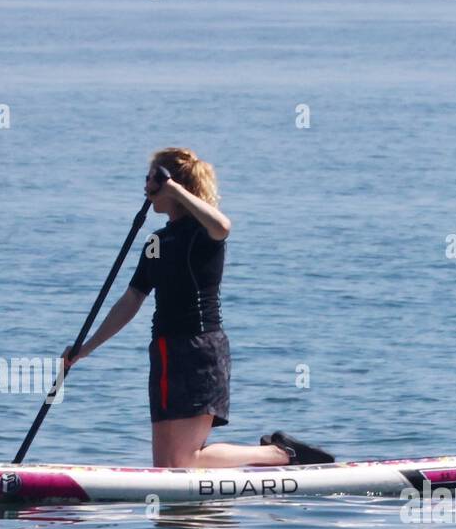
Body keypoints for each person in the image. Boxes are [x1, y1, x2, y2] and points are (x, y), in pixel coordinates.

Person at [64, 147, 329, 468]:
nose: (145, 185)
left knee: (185, 460)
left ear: (172, 184)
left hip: (199, 351)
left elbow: (223, 226)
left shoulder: (203, 234)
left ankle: (280, 453)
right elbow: (132, 299)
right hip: (163, 351)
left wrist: (175, 189)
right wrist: (86, 348)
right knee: (167, 466)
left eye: (152, 178)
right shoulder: (156, 241)